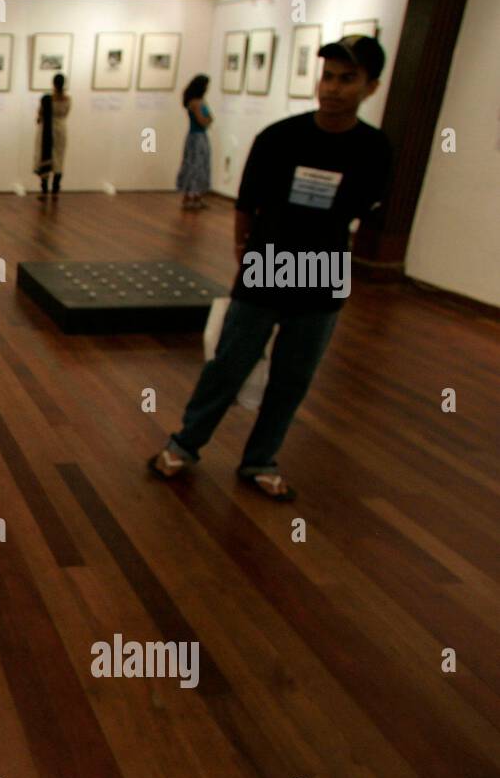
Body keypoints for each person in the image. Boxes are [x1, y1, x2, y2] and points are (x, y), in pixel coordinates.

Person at [149, 36, 392, 501]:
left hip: (323, 270)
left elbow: (363, 210)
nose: (333, 88)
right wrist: (245, 253)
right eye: (328, 77)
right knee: (229, 364)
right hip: (269, 262)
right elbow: (248, 202)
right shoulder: (281, 138)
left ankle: (260, 458)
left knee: (293, 376)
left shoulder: (373, 148)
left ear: (371, 87)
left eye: (347, 79)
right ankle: (185, 444)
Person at [177, 74, 213, 210]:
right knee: (194, 167)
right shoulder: (196, 103)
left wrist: (208, 119)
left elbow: (209, 119)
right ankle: (188, 198)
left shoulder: (200, 101)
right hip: (196, 138)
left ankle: (197, 197)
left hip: (199, 136)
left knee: (200, 166)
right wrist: (207, 119)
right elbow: (203, 121)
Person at [33, 73, 71, 199]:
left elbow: (40, 115)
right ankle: (55, 190)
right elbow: (66, 113)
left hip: (46, 130)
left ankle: (44, 190)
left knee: (44, 156)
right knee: (59, 158)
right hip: (61, 129)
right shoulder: (67, 99)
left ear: (53, 84)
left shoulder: (47, 99)